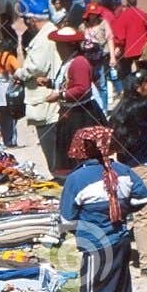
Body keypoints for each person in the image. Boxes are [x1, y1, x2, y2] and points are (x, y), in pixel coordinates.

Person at [59, 126, 147, 292]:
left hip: (95, 245)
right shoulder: (124, 171)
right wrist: (120, 210)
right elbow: (142, 198)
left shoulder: (76, 179)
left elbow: (67, 220)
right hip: (120, 241)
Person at [110, 60, 147, 276]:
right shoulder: (143, 108)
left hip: (126, 167)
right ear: (138, 87)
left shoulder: (121, 109)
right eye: (146, 84)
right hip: (145, 167)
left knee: (132, 214)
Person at [45, 25, 105, 180]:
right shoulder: (69, 62)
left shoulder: (79, 62)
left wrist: (60, 95)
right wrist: (50, 83)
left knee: (81, 151)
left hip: (81, 117)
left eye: (59, 45)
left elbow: (82, 88)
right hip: (71, 115)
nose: (57, 48)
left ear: (67, 45)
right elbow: (68, 82)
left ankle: (85, 180)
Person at [19, 15, 63, 173]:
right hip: (46, 95)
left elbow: (35, 67)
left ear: (32, 20)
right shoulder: (47, 34)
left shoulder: (44, 38)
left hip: (44, 99)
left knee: (50, 142)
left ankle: (58, 173)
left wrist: (19, 74)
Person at [110, 0, 147, 82]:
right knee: (144, 73)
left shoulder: (123, 16)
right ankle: (144, 88)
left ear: (126, 2)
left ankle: (132, 91)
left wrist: (118, 46)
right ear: (136, 1)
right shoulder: (142, 14)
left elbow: (120, 36)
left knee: (127, 74)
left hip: (128, 50)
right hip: (143, 49)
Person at [81, 2, 113, 112]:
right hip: (87, 59)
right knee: (90, 85)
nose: (92, 16)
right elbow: (79, 42)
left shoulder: (104, 23)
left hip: (101, 57)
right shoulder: (82, 26)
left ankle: (104, 109)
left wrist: (112, 57)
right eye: (91, 13)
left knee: (102, 84)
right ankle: (95, 108)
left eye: (94, 13)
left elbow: (110, 39)